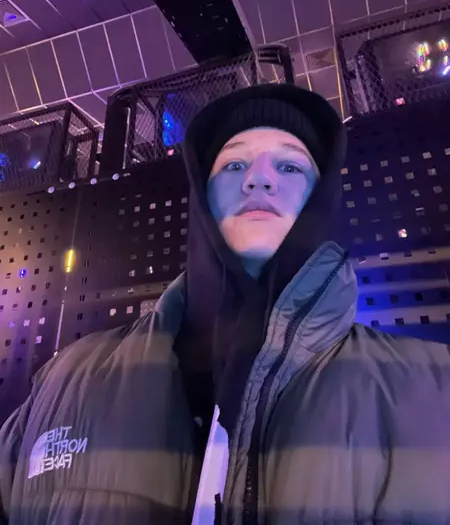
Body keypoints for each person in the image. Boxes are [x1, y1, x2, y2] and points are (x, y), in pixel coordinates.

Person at [1, 83, 450, 525]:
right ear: (202, 194)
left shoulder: (430, 385)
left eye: (290, 166)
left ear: (322, 196)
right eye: (234, 164)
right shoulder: (67, 377)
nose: (259, 178)